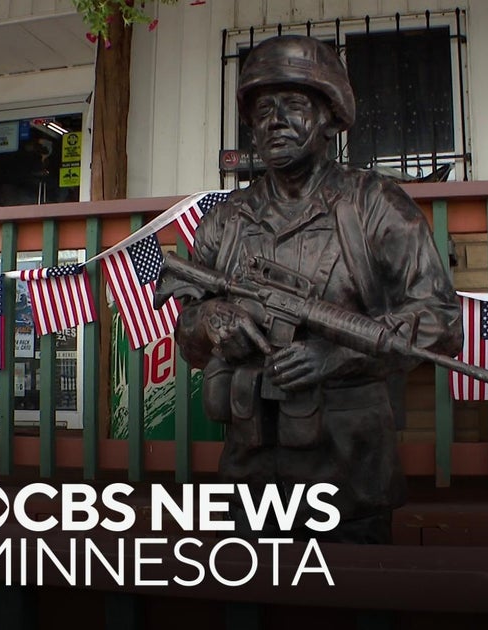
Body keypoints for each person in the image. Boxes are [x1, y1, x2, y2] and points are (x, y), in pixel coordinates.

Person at [171, 35, 463, 544]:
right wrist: (213, 323)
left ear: (330, 117)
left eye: (294, 105)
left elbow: (441, 321)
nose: (275, 120)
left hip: (350, 476)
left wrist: (335, 357)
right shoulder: (225, 219)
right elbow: (187, 330)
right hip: (249, 474)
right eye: (263, 109)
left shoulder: (374, 206)